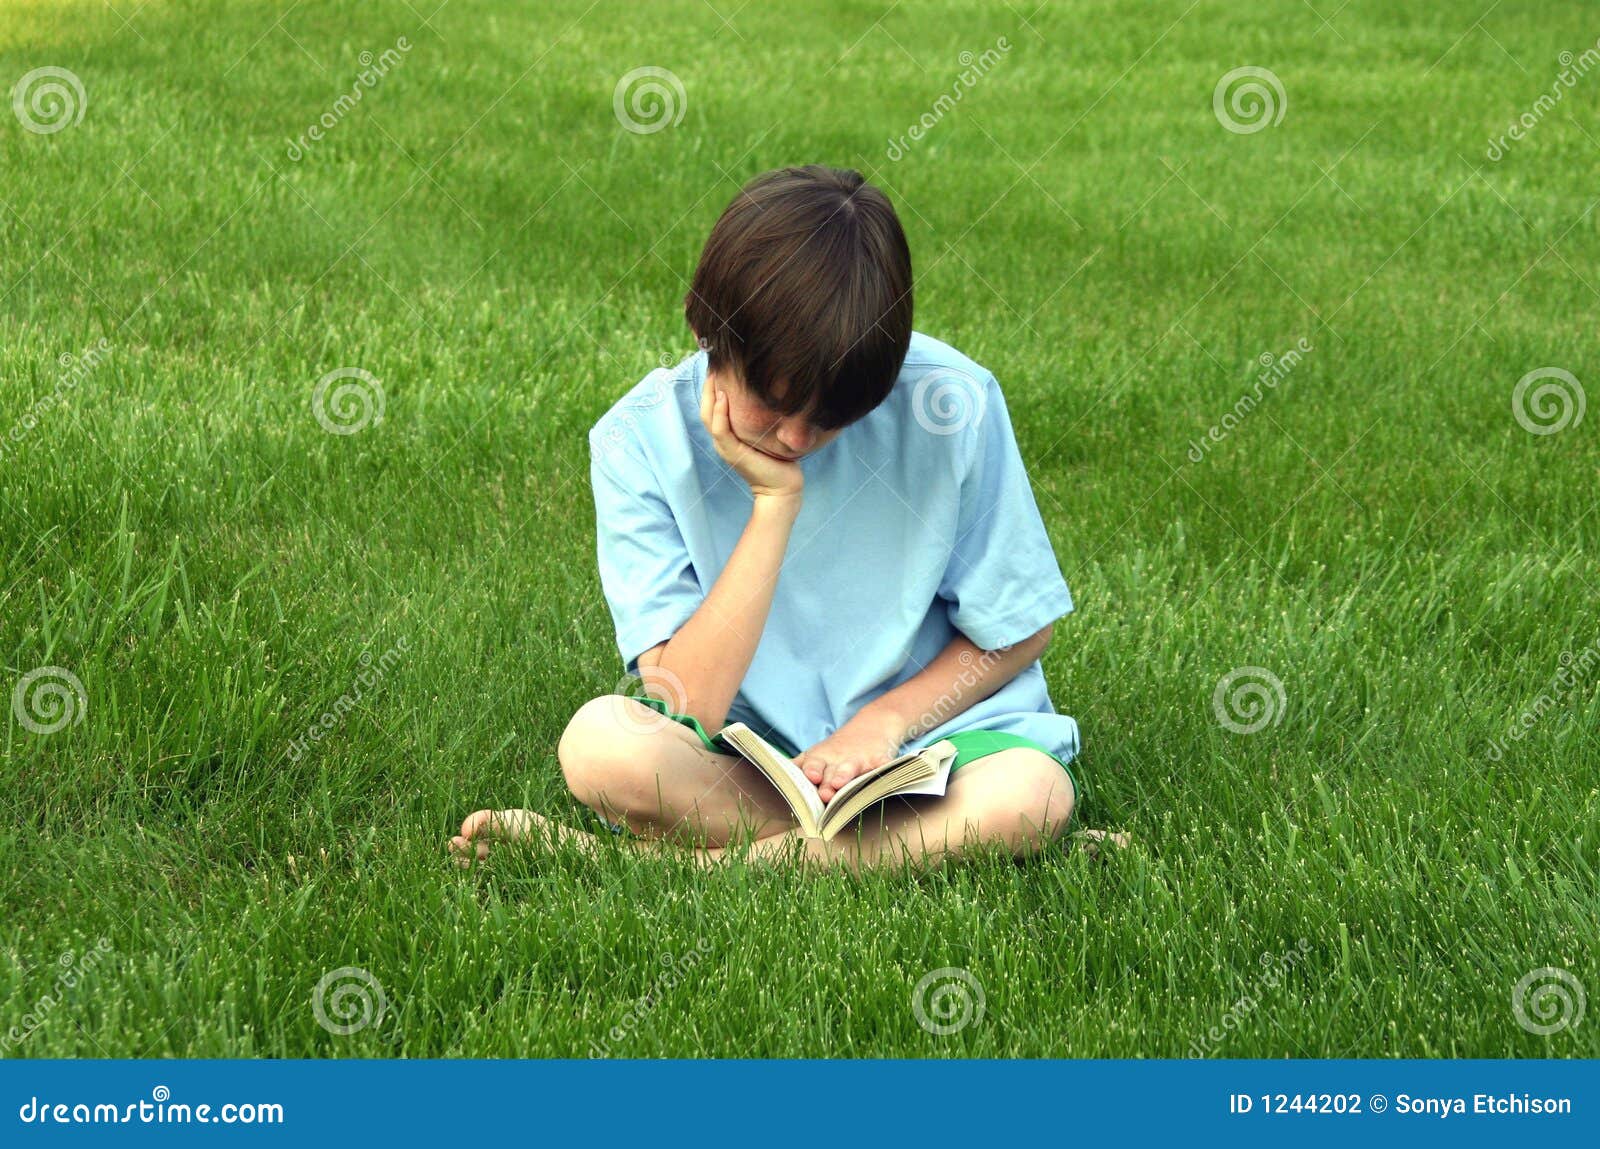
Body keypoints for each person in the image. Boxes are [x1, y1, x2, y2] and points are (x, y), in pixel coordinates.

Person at [452, 164, 1123, 870]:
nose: (799, 439)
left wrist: (881, 725)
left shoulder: (953, 402)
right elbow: (685, 710)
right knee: (600, 742)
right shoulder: (636, 440)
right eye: (774, 403)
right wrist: (774, 506)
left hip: (937, 751)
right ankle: (884, 852)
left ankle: (685, 867)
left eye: (834, 416)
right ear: (710, 333)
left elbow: (1020, 629)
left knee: (1032, 791)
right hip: (761, 764)